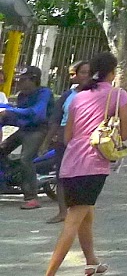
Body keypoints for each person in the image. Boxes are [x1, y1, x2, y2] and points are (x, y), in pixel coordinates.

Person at [45, 52, 127, 276]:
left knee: (86, 213)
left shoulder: (78, 96)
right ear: (112, 72)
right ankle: (49, 273)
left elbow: (67, 135)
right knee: (73, 221)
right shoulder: (118, 95)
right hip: (93, 164)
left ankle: (92, 262)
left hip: (70, 161)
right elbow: (124, 134)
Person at [0, 65, 54, 210]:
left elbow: (37, 113)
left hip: (40, 129)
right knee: (2, 149)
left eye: (23, 80)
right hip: (25, 129)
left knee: (26, 159)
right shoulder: (21, 96)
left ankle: (32, 197)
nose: (19, 83)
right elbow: (19, 116)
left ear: (34, 80)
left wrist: (10, 110)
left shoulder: (44, 93)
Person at [45, 63, 92, 226]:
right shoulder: (68, 95)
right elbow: (56, 119)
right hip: (64, 138)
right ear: (76, 75)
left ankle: (81, 212)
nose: (86, 76)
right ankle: (63, 212)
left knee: (84, 177)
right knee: (62, 175)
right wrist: (47, 141)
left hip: (86, 139)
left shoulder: (97, 94)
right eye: (83, 72)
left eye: (89, 72)